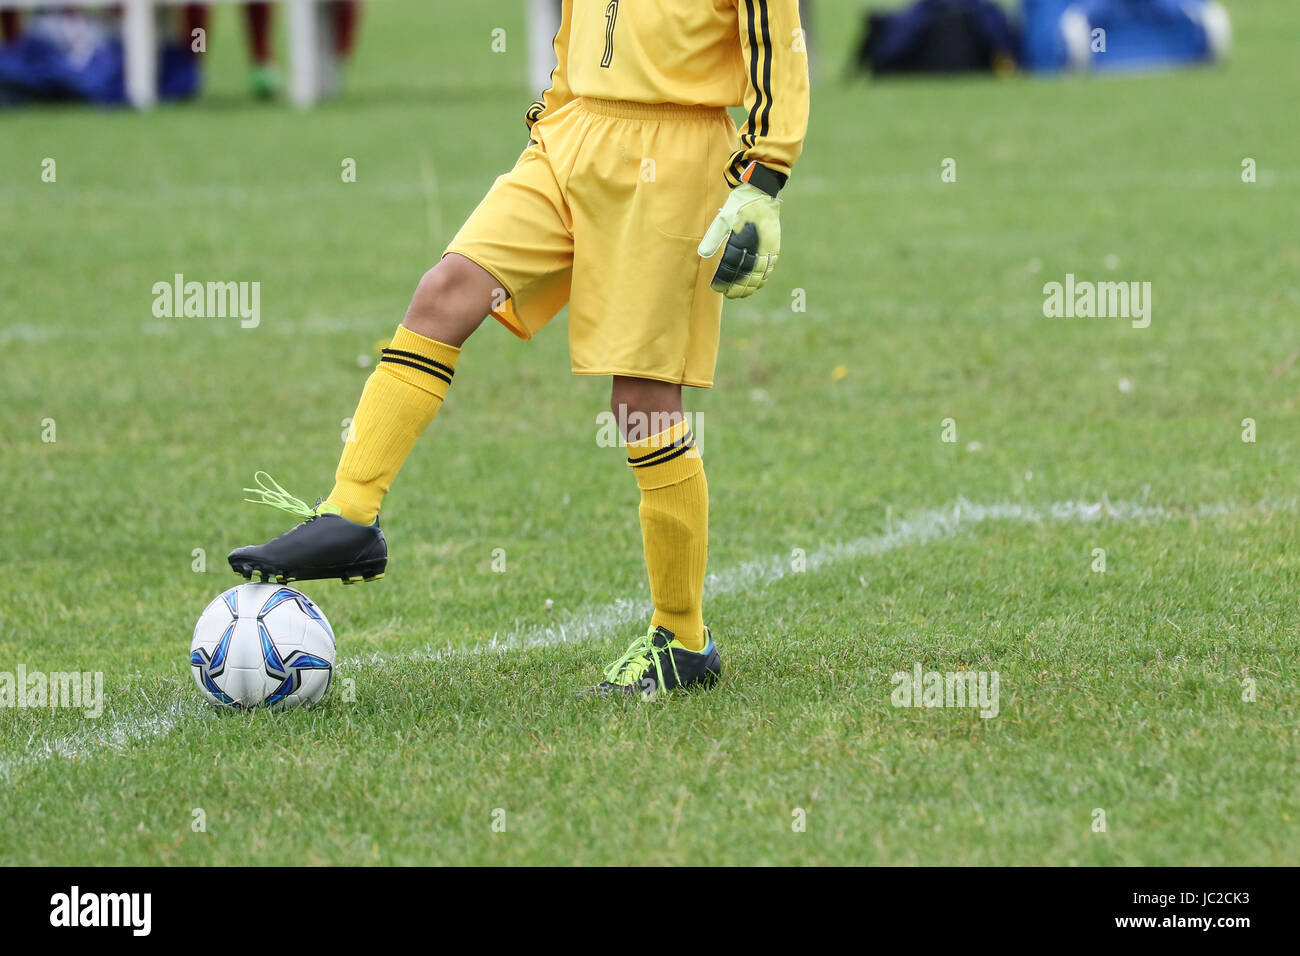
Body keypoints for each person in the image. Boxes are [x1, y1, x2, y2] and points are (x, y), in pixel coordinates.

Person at [229, 0, 809, 696]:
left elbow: (777, 45)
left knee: (642, 400)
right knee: (445, 292)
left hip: (675, 158)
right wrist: (558, 109)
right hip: (571, 137)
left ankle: (682, 637)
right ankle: (350, 513)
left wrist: (764, 179)